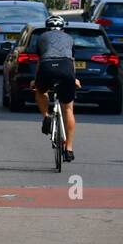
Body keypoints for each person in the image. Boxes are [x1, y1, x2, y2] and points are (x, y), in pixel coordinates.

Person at [34, 14, 80, 161]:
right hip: (66, 69)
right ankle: (69, 149)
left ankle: (46, 116)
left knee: (40, 91)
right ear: (63, 28)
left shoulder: (42, 37)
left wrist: (36, 81)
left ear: (47, 27)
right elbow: (71, 61)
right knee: (68, 108)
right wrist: (74, 79)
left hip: (47, 66)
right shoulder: (69, 38)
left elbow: (40, 61)